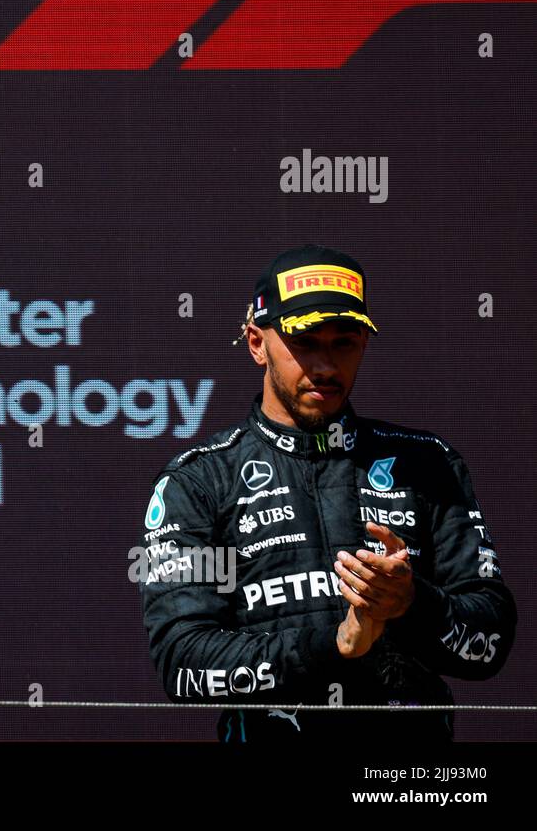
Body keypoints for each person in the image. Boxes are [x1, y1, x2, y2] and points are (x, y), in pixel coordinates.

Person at [138, 244, 516, 741]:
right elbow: (181, 662)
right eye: (305, 342)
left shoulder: (428, 464)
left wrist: (411, 603)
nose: (326, 366)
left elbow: (490, 642)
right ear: (256, 343)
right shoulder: (198, 481)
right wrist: (333, 644)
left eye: (344, 343)